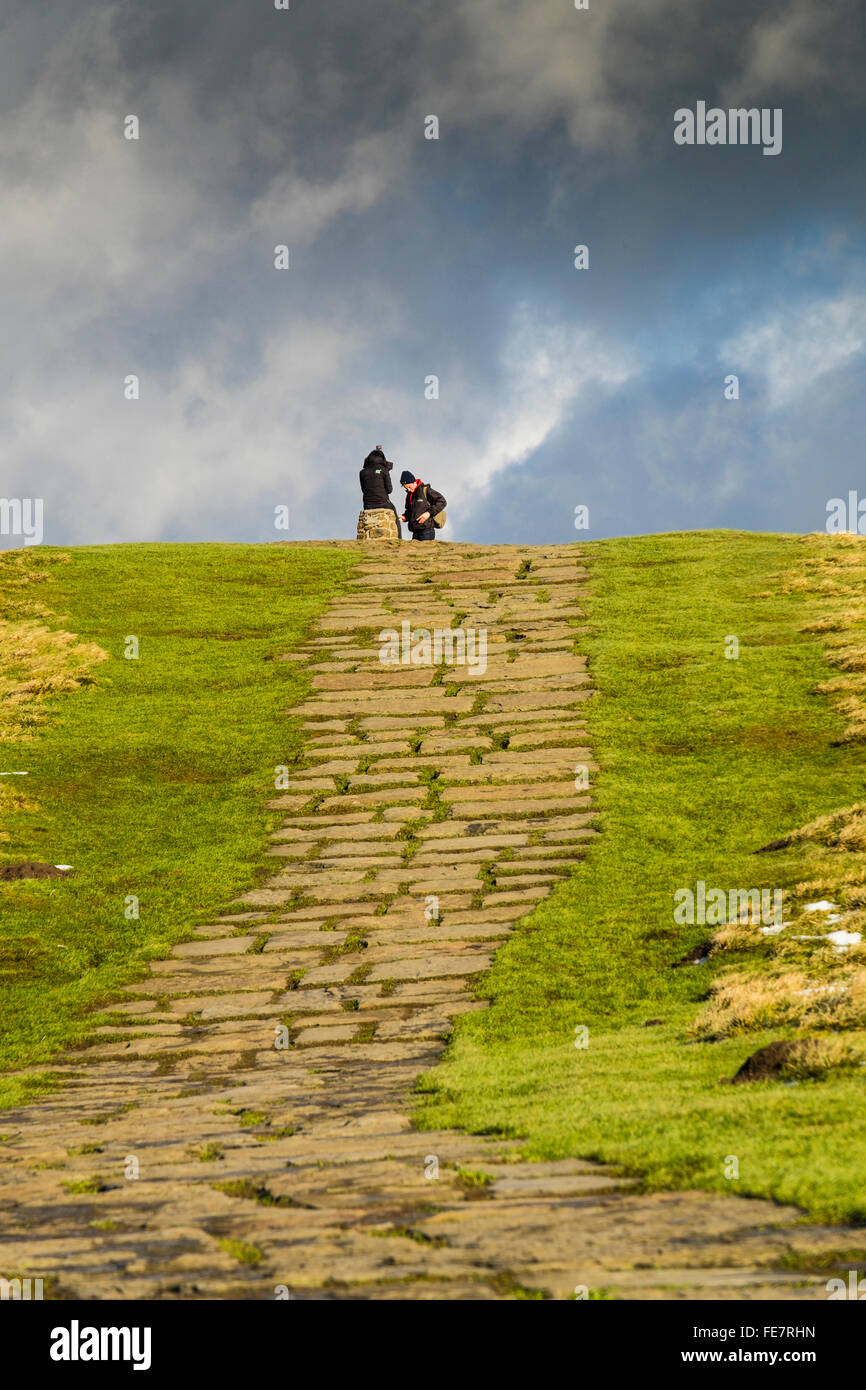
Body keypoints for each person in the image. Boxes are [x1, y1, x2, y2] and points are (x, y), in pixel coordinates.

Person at [359, 446, 402, 538]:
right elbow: (389, 490)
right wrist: (386, 472)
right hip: (382, 503)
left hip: (367, 504)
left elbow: (363, 489)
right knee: (395, 515)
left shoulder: (362, 472)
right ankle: (399, 538)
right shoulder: (383, 470)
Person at [400, 470, 446, 541]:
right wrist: (405, 517)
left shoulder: (426, 490)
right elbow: (409, 511)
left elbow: (442, 501)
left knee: (428, 552)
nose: (408, 490)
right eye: (406, 488)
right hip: (415, 532)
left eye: (409, 487)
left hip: (427, 531)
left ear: (414, 482)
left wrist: (428, 513)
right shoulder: (409, 496)